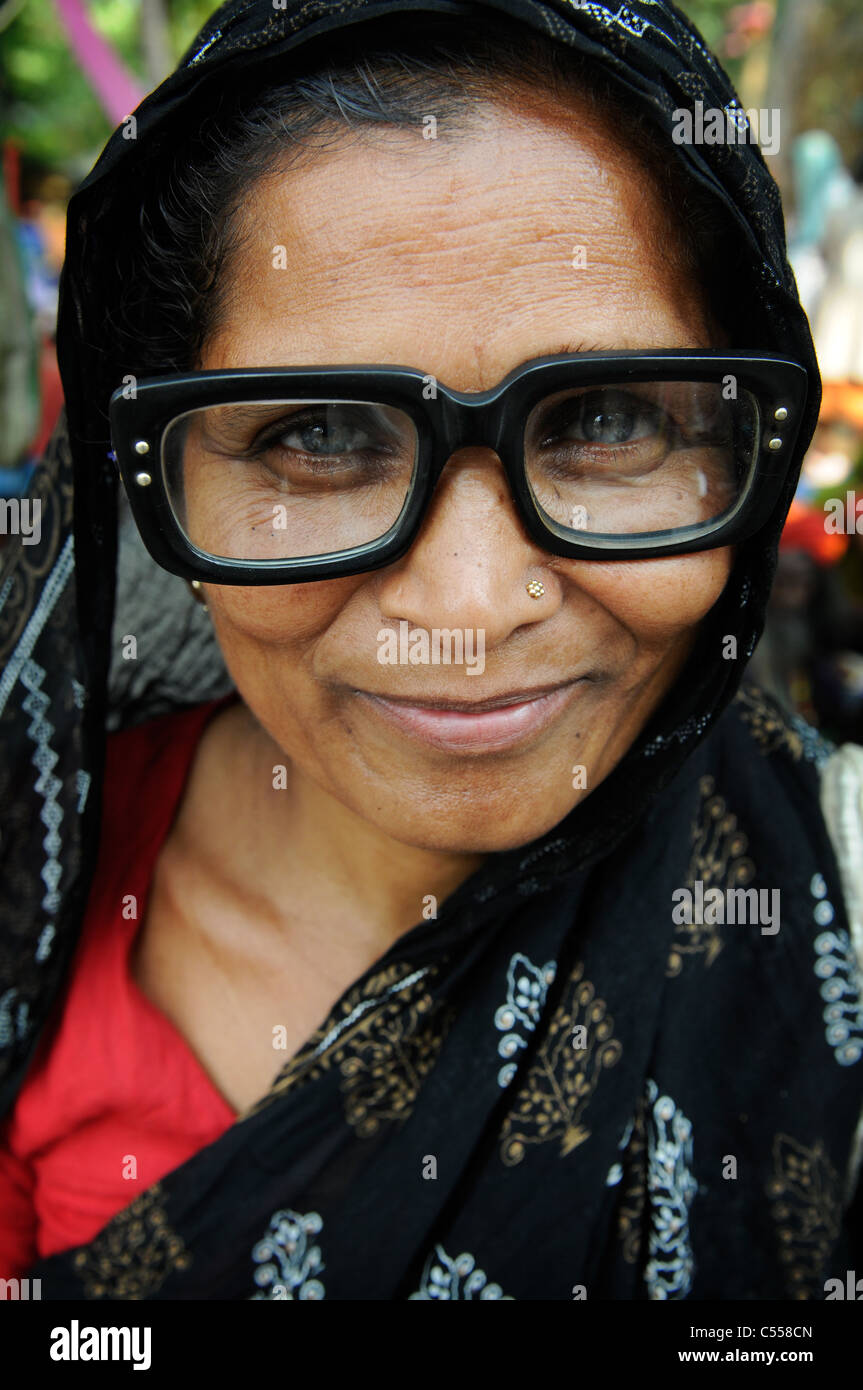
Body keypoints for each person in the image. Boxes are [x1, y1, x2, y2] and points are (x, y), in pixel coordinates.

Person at [0, 0, 861, 1302]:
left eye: (612, 418)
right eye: (322, 434)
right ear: (155, 482)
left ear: (744, 443)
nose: (471, 601)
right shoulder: (29, 883)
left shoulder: (836, 893)